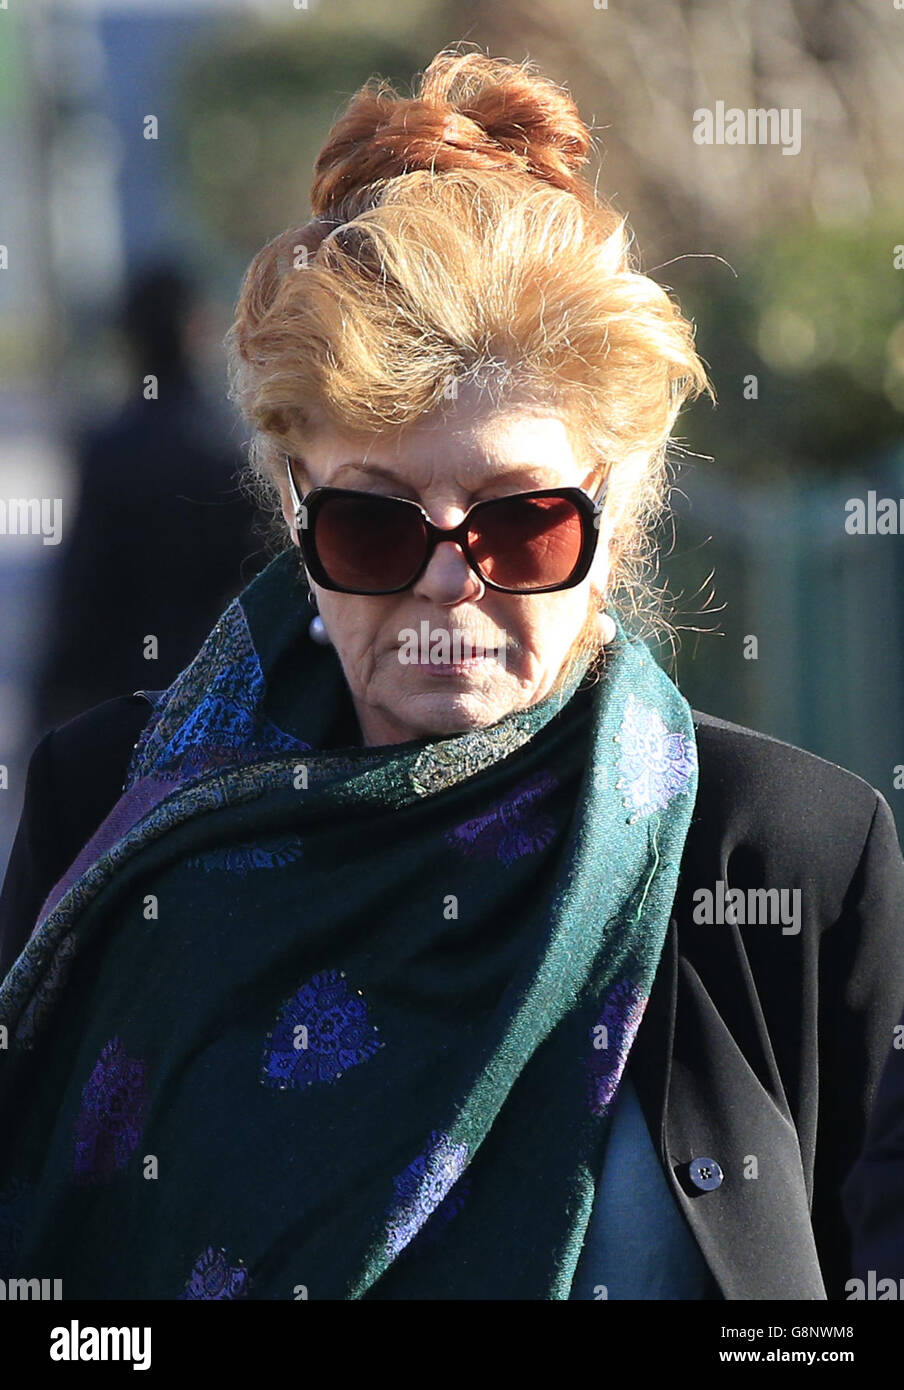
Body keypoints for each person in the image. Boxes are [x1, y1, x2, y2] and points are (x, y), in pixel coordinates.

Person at [1, 46, 903, 1302]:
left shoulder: (787, 854)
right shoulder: (103, 804)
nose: (447, 584)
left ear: (616, 505)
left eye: (518, 525)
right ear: (290, 499)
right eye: (373, 527)